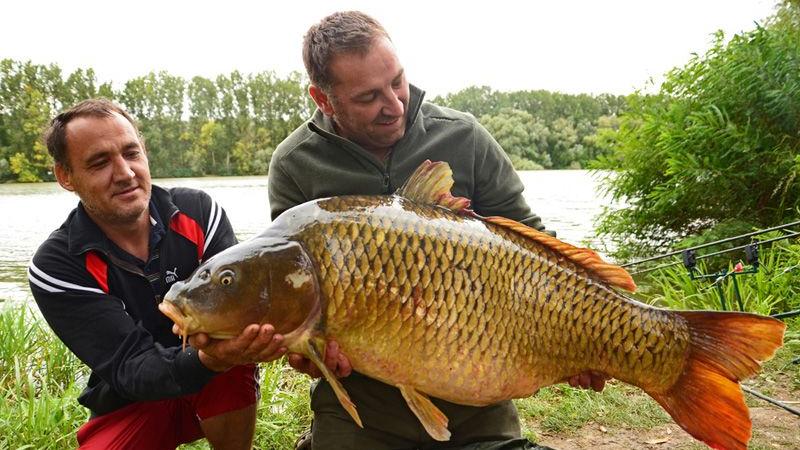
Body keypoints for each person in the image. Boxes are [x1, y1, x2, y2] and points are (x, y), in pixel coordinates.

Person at [268, 10, 607, 450]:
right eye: (368, 97)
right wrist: (307, 352)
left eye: (397, 81)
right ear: (324, 99)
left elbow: (536, 247)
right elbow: (291, 290)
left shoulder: (463, 138)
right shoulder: (295, 164)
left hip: (479, 391)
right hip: (361, 408)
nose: (394, 105)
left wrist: (583, 329)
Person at [28, 99, 289, 450]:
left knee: (233, 352)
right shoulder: (57, 264)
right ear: (65, 176)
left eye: (131, 153)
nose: (125, 173)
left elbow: (245, 306)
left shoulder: (199, 212)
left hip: (216, 378)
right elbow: (128, 366)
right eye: (100, 162)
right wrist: (206, 359)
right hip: (131, 399)